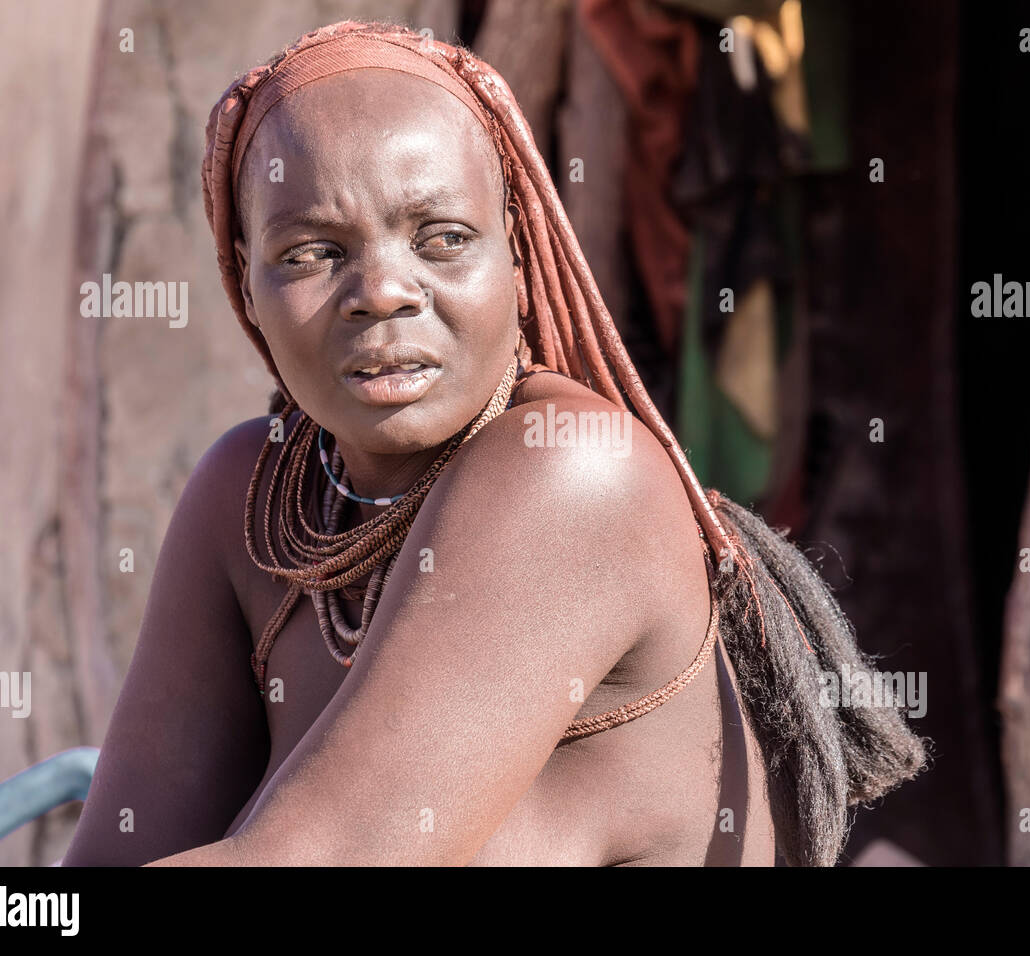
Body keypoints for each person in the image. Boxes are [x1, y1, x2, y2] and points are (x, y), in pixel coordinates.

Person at [60, 20, 926, 868]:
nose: (384, 292)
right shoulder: (252, 498)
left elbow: (329, 857)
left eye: (443, 238)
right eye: (312, 252)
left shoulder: (572, 471)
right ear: (245, 286)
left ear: (516, 252)